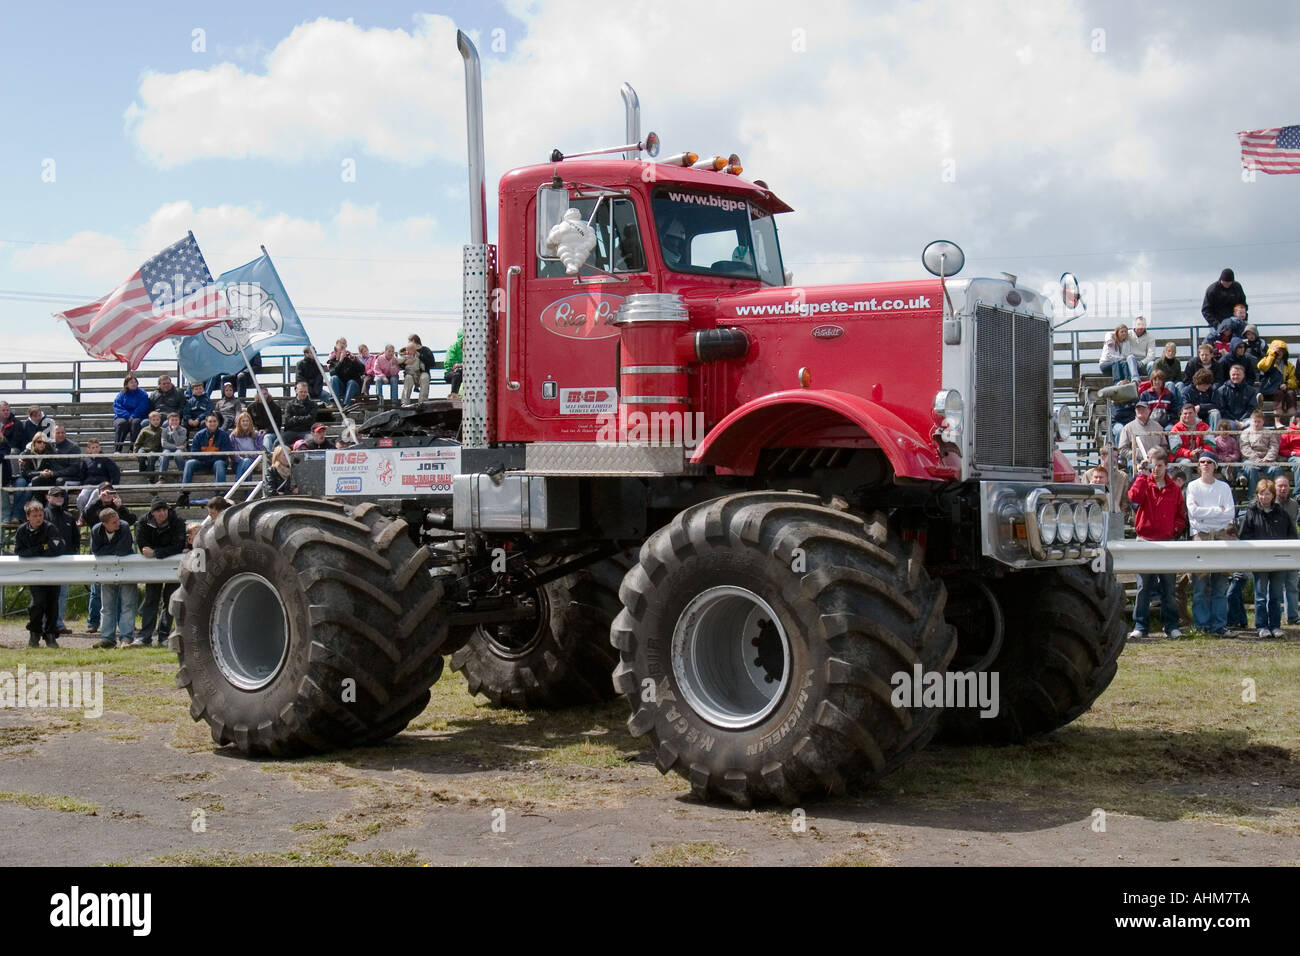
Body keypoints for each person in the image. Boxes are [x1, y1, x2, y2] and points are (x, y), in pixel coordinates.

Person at [1126, 448, 1186, 640]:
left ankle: (1171, 626)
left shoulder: (1174, 489)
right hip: (1144, 541)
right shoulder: (1145, 482)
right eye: (1154, 466)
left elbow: (1180, 516)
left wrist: (1173, 530)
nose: (1157, 470)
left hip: (1167, 542)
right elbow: (1134, 497)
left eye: (1160, 466)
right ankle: (1140, 626)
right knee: (1143, 587)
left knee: (1169, 587)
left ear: (1166, 466)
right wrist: (1142, 475)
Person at [1237, 478, 1296, 639]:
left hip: (1278, 560)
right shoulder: (1250, 512)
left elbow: (1292, 536)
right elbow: (1244, 535)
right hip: (1259, 560)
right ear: (1257, 495)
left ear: (1273, 495)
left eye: (1268, 494)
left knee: (1275, 596)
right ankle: (1261, 626)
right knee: (1261, 595)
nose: (1265, 497)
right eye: (1261, 494)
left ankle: (1275, 625)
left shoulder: (1282, 514)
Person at [1186, 450, 1235, 636]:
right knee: (1200, 585)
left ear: (1215, 466)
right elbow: (1194, 513)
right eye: (1202, 462)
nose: (1205, 465)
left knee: (1220, 585)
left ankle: (1219, 626)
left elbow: (1230, 513)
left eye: (1209, 462)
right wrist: (1217, 511)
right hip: (1201, 536)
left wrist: (1207, 513)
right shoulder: (1192, 486)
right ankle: (1202, 626)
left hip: (1221, 536)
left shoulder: (1224, 487)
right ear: (1199, 466)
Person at [132, 497, 187, 648]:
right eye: (158, 511)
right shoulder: (143, 522)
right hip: (153, 568)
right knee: (151, 599)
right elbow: (142, 544)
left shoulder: (177, 521)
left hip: (172, 566)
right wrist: (154, 552)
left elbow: (178, 545)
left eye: (164, 510)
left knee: (169, 600)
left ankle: (164, 635)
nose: (162, 513)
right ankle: (145, 635)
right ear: (152, 513)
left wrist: (156, 552)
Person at [15, 500, 64, 647]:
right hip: (34, 573)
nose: (38, 518)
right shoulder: (22, 530)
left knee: (52, 605)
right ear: (28, 516)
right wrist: (41, 548)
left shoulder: (50, 528)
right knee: (37, 604)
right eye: (35, 515)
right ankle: (34, 634)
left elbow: (58, 548)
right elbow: (20, 552)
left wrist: (36, 551)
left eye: (41, 515)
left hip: (52, 572)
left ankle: (50, 635)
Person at [90, 507, 137, 649]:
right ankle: (107, 638)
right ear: (105, 524)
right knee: (107, 605)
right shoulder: (96, 530)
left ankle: (126, 637)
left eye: (117, 520)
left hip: (127, 567)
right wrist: (112, 550)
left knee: (128, 603)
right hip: (107, 570)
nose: (118, 523)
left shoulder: (124, 527)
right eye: (114, 522)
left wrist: (107, 551)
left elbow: (123, 550)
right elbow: (96, 551)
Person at [43, 485, 79, 636]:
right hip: (47, 561)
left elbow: (76, 538)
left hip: (65, 561)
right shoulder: (43, 515)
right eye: (55, 495)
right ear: (48, 497)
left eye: (61, 496)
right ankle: (45, 623)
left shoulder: (68, 516)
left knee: (62, 593)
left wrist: (73, 552)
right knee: (46, 594)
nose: (58, 498)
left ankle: (58, 623)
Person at [177, 413, 232, 508]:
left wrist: (209, 457)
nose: (212, 423)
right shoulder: (199, 435)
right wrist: (208, 457)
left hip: (217, 462)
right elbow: (194, 453)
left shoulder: (224, 435)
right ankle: (184, 493)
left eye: (214, 421)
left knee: (219, 463)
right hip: (202, 462)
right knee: (190, 463)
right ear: (206, 423)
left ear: (218, 423)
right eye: (210, 421)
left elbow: (225, 454)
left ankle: (220, 493)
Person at [1273, 474, 1300, 626]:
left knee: (1291, 583)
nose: (1283, 489)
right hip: (1274, 548)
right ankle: (1274, 615)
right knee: (1275, 585)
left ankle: (1293, 616)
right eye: (1280, 486)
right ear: (1274, 487)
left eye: (1285, 486)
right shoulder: (1269, 503)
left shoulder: (1294, 504)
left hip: (1291, 546)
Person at [1116, 397, 1166, 475]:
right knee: (1133, 467)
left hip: (1156, 460)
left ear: (1149, 411)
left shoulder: (1157, 426)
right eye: (1138, 409)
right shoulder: (1128, 427)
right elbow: (1122, 449)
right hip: (1136, 460)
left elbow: (1164, 445)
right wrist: (1137, 454)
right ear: (1135, 411)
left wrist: (1157, 454)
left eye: (1143, 409)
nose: (1140, 411)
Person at [1256, 339, 1298, 426]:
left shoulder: (1289, 365)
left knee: (1291, 393)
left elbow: (1294, 380)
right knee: (1279, 393)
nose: (1279, 353)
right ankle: (1277, 421)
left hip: (1283, 389)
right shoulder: (1266, 360)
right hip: (1269, 389)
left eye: (1282, 351)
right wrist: (1271, 355)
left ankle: (1293, 420)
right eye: (1277, 350)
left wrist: (1287, 385)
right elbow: (1262, 367)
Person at [1169, 403, 1214, 482]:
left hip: (1200, 455)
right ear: (1181, 414)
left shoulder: (1204, 426)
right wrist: (1190, 453)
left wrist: (1202, 452)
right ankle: (1186, 488)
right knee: (1187, 462)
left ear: (1195, 414)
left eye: (1190, 413)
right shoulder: (1175, 429)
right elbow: (1175, 449)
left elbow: (1211, 444)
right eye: (1185, 413)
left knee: (1208, 460)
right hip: (1183, 458)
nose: (1187, 415)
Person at [1239, 408, 1279, 492]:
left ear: (1263, 422)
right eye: (1255, 421)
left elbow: (1274, 446)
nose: (1256, 424)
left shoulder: (1269, 432)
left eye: (1259, 421)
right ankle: (1253, 497)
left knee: (1276, 469)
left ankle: (1275, 496)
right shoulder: (1245, 432)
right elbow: (1245, 448)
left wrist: (1267, 459)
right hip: (1251, 459)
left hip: (1267, 460)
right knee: (1250, 468)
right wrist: (1256, 459)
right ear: (1250, 421)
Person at [1214, 362, 1259, 433]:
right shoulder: (1221, 390)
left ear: (1243, 375)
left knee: (1254, 424)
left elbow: (1252, 408)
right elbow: (1222, 409)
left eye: (1238, 375)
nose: (1235, 377)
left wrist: (1242, 421)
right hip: (1228, 419)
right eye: (1233, 375)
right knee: (1229, 426)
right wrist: (1235, 421)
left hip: (1246, 419)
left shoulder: (1251, 391)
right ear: (1230, 375)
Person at [112, 375, 150, 453]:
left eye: (135, 382)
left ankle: (133, 449)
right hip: (122, 416)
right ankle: (117, 450)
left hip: (138, 416)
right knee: (121, 423)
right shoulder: (121, 394)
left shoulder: (143, 394)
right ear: (126, 384)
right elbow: (117, 406)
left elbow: (142, 407)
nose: (134, 384)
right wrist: (127, 415)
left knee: (136, 423)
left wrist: (133, 416)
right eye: (131, 382)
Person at [398, 335, 435, 404]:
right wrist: (406, 363)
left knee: (425, 377)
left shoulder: (425, 350)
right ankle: (404, 402)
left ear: (413, 341)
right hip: (410, 374)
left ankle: (423, 402)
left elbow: (432, 363)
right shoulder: (406, 351)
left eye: (409, 341)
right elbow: (400, 363)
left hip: (422, 373)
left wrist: (420, 356)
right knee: (408, 378)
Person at [248, 384, 284, 452]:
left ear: (268, 395)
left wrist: (266, 430)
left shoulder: (275, 407)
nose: (263, 396)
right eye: (261, 394)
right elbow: (250, 422)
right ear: (257, 395)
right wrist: (255, 429)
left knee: (267, 437)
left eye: (265, 394)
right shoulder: (251, 408)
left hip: (271, 432)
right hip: (256, 431)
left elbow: (277, 424)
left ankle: (267, 456)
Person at [282, 380, 317, 447]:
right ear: (296, 391)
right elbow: (287, 420)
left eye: (305, 392)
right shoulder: (289, 404)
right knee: (279, 441)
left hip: (306, 431)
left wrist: (295, 418)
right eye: (301, 392)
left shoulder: (313, 404)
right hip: (291, 431)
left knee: (312, 440)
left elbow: (311, 420)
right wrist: (304, 419)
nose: (303, 394)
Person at [229, 411, 261, 480]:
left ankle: (237, 484)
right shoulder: (233, 435)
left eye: (247, 421)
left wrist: (249, 456)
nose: (245, 423)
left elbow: (259, 450)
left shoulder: (256, 434)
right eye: (243, 421)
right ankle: (247, 489)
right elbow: (232, 452)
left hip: (253, 461)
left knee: (248, 462)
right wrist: (241, 459)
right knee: (246, 463)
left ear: (250, 422)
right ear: (239, 422)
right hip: (237, 463)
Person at [134, 409, 164, 477]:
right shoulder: (145, 430)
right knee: (140, 454)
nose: (156, 421)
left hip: (155, 450)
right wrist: (135, 452)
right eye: (153, 420)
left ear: (160, 420)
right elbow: (138, 442)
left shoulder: (162, 430)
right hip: (144, 448)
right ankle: (142, 468)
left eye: (157, 419)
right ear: (150, 421)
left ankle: (151, 475)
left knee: (151, 457)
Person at [370, 344, 401, 409]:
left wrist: (392, 365)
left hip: (392, 376)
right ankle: (380, 403)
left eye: (392, 351)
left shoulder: (395, 359)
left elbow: (396, 372)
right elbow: (376, 369)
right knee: (378, 380)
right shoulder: (380, 358)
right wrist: (383, 377)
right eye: (389, 351)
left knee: (394, 380)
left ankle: (394, 403)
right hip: (382, 375)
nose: (391, 353)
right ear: (385, 351)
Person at [159, 411, 188, 479]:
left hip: (180, 449)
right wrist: (175, 446)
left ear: (179, 420)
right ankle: (162, 477)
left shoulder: (183, 430)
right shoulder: (164, 430)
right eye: (172, 420)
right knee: (164, 455)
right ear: (168, 421)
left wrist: (174, 431)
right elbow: (164, 444)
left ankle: (183, 475)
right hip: (168, 449)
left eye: (176, 420)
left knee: (178, 455)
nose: (174, 422)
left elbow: (179, 442)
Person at [444, 329, 464, 396]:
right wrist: (462, 365)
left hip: (464, 372)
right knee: (457, 374)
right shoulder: (453, 348)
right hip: (450, 373)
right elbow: (451, 365)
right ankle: (454, 395)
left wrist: (460, 365)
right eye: (462, 341)